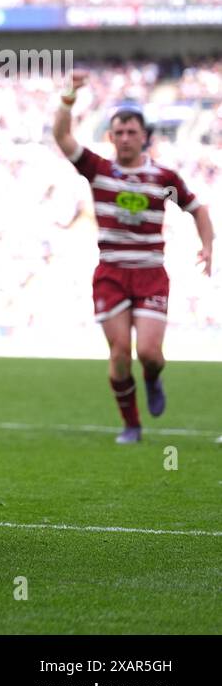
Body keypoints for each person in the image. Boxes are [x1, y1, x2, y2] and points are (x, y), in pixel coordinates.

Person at [52, 72, 213, 443]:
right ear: (111, 137)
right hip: (111, 272)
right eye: (118, 132)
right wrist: (68, 97)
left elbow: (198, 209)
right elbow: (62, 137)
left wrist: (207, 246)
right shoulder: (98, 169)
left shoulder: (162, 177)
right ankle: (132, 425)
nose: (125, 138)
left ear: (145, 137)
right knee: (121, 352)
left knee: (151, 354)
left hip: (151, 273)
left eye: (131, 132)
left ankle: (154, 378)